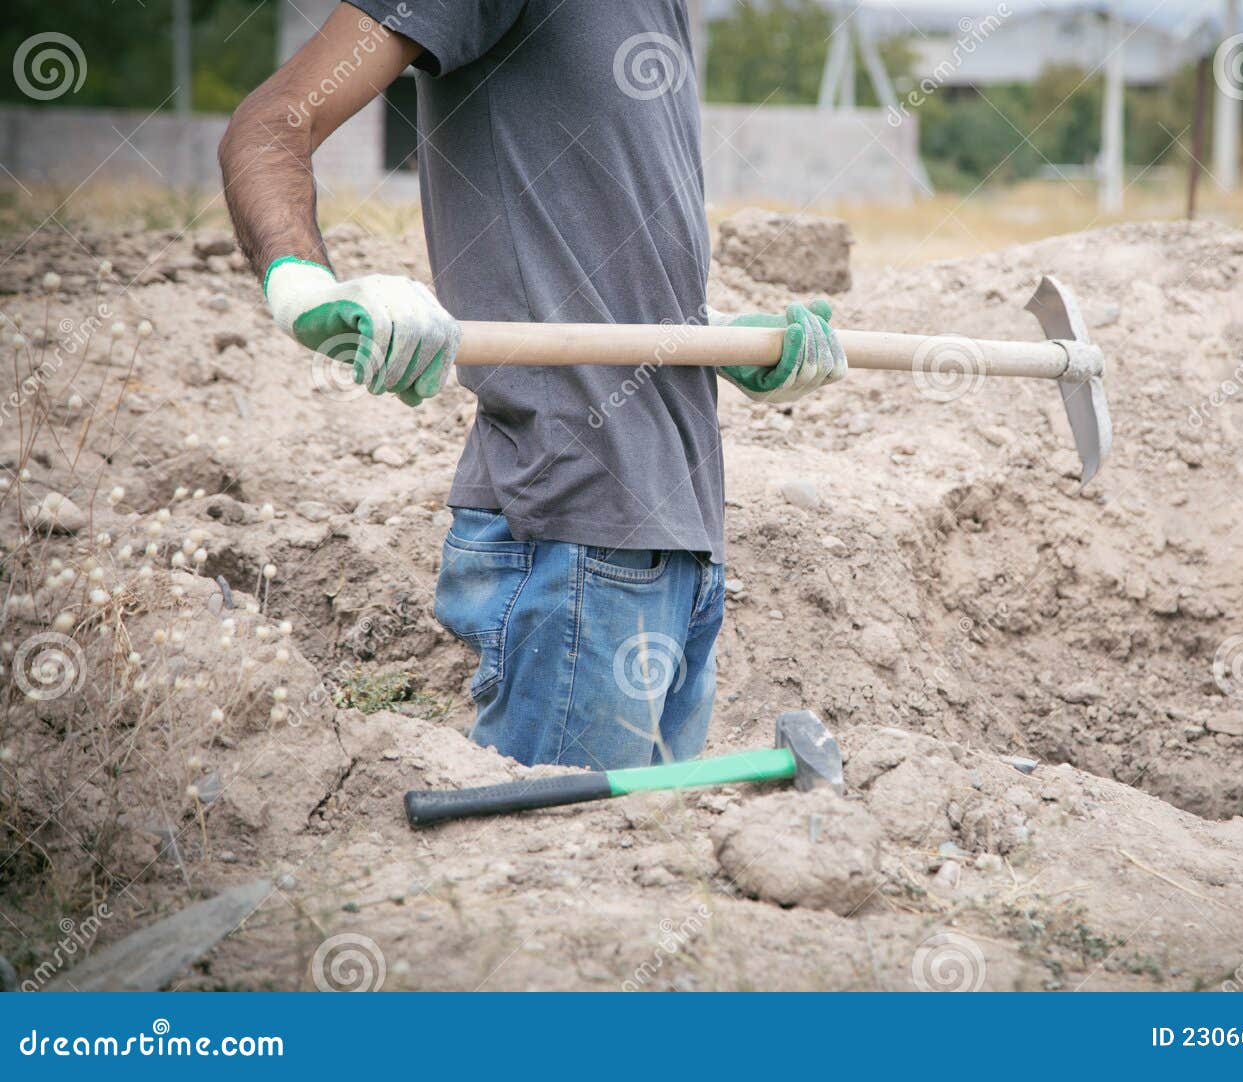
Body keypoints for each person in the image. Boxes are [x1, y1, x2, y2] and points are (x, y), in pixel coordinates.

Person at [218, 1, 845, 770]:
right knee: (548, 871)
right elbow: (271, 122)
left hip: (681, 533)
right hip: (574, 529)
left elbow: (586, 241)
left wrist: (719, 336)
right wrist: (304, 288)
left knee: (639, 873)